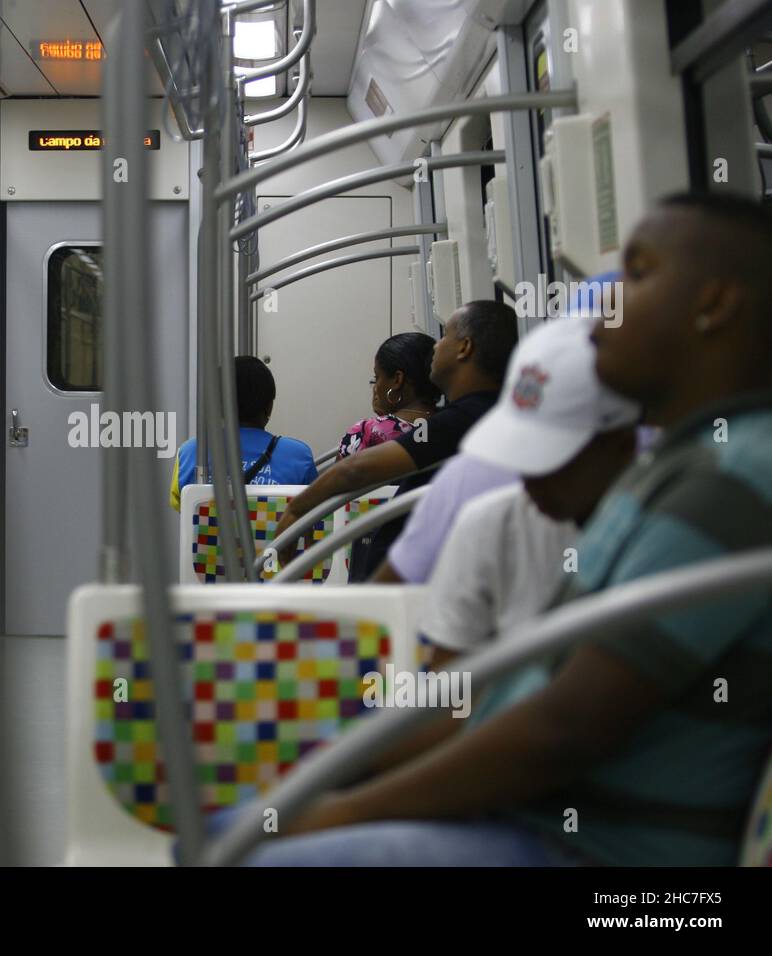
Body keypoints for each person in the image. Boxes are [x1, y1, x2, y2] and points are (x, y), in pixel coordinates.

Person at [224, 193, 772, 867]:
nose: (601, 307)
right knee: (237, 818)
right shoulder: (669, 468)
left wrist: (339, 806)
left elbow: (561, 731)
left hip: (598, 853)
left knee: (254, 850)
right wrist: (333, 767)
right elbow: (506, 701)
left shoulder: (730, 481)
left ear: (714, 304)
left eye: (636, 273)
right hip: (544, 815)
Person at [418, 316, 640, 667]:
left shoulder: (659, 534)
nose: (530, 478)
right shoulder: (489, 526)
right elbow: (451, 692)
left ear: (622, 446)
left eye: (550, 458)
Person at [274, 301, 518, 579]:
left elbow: (355, 469)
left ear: (464, 347)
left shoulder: (467, 418)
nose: (436, 347)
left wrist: (296, 511)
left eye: (445, 336)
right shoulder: (483, 414)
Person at [170, 355, 318, 510]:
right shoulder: (298, 456)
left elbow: (182, 507)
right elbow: (313, 511)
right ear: (269, 406)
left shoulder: (189, 453)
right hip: (280, 535)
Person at [334, 332, 440, 460]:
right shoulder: (454, 422)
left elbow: (340, 478)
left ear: (397, 380)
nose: (375, 387)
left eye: (377, 377)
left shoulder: (365, 432)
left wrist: (383, 421)